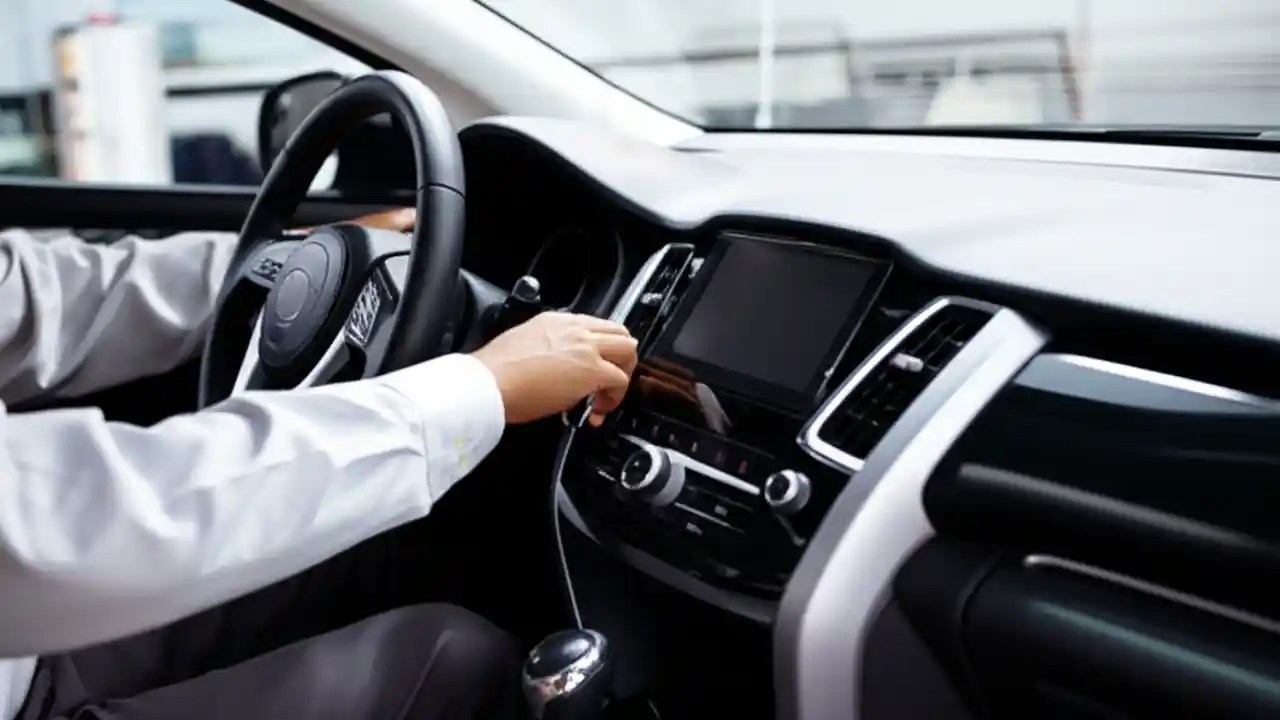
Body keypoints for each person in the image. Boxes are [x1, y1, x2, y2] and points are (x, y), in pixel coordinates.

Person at [0, 212, 638, 720]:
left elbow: (25, 297)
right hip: (32, 620)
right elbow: (51, 534)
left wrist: (283, 264)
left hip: (27, 646)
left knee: (386, 559)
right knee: (454, 665)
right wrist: (479, 387)